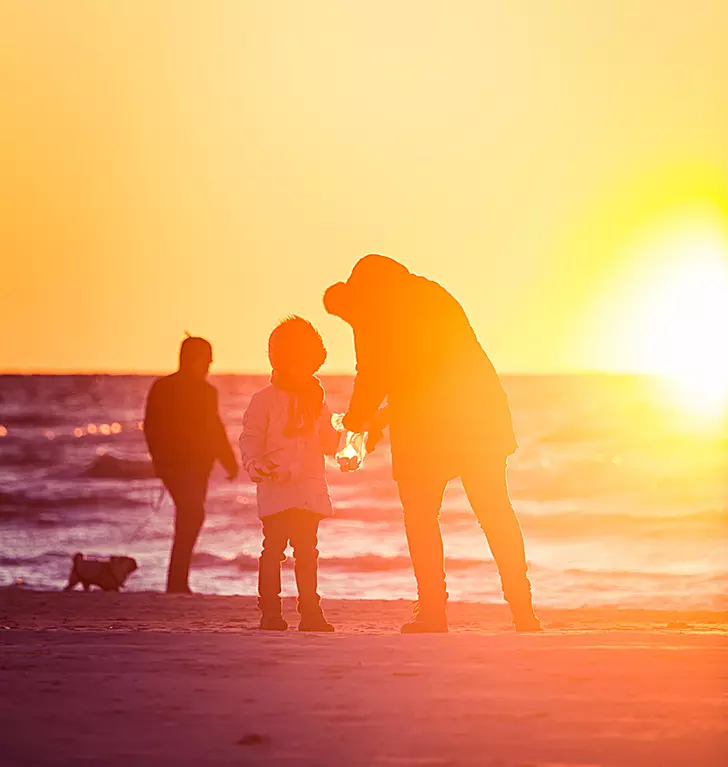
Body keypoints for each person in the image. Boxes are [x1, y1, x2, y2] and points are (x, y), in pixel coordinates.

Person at [324, 255, 540, 633]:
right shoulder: (431, 293)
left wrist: (358, 423)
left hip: (437, 424)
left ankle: (433, 612)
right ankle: (523, 611)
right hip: (480, 413)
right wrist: (376, 420)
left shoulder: (371, 307)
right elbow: (424, 376)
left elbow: (375, 374)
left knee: (421, 516)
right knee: (494, 512)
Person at [240, 316, 339, 632]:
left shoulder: (316, 401)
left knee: (307, 552)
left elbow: (327, 441)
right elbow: (251, 436)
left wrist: (349, 444)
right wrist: (254, 463)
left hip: (308, 490)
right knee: (273, 550)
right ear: (282, 361)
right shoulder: (265, 400)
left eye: (311, 364)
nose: (306, 371)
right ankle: (270, 612)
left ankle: (311, 612)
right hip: (277, 486)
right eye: (300, 363)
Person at [144, 336, 238, 593]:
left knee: (189, 518)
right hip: (174, 467)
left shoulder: (208, 392)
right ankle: (176, 582)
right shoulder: (163, 388)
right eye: (206, 359)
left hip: (200, 467)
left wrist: (229, 461)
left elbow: (216, 429)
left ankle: (177, 583)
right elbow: (151, 427)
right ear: (191, 359)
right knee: (193, 514)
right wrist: (160, 463)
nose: (210, 364)